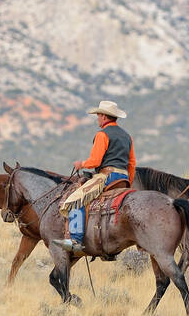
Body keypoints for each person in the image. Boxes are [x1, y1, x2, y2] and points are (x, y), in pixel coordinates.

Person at [52, 100, 135, 253]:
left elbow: (95, 161)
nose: (97, 118)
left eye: (98, 115)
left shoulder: (102, 135)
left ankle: (75, 239)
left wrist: (81, 164)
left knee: (76, 199)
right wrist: (128, 181)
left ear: (104, 116)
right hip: (123, 179)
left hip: (106, 176)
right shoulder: (127, 136)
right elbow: (132, 164)